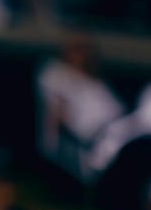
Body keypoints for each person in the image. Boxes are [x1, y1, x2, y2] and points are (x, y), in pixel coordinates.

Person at [37, 36, 124, 178]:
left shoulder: (97, 84)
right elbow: (57, 114)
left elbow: (117, 112)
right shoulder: (54, 74)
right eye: (77, 49)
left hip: (109, 136)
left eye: (85, 50)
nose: (81, 54)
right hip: (80, 142)